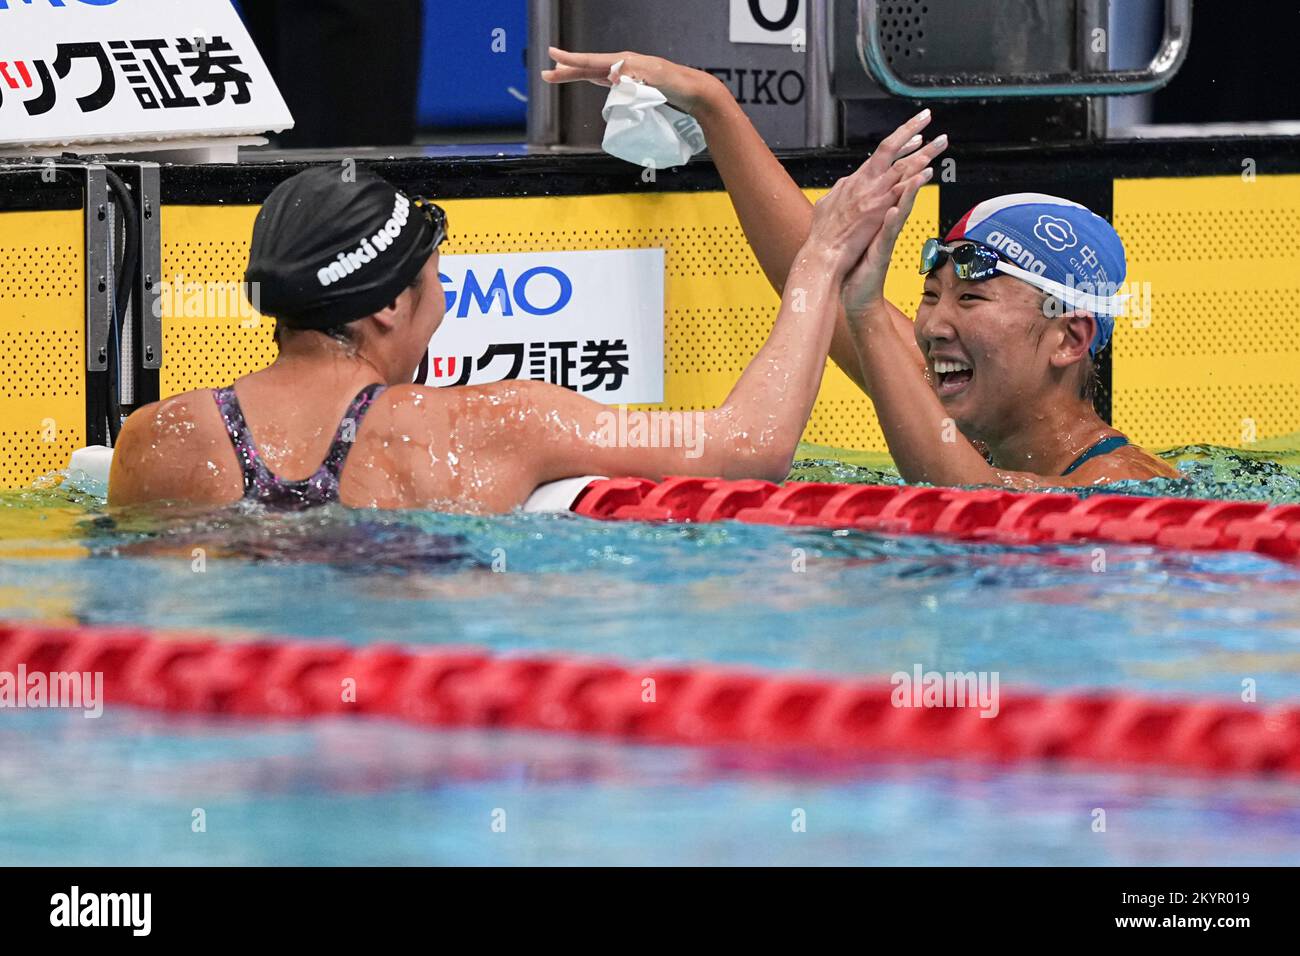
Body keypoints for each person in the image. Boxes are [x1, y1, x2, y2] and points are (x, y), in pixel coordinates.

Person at [108, 149, 935, 511]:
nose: (445, 297)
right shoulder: (487, 424)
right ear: (389, 306)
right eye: (436, 275)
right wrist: (820, 261)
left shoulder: (159, 438)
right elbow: (749, 445)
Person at [543, 49, 1178, 487]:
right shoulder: (976, 420)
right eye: (931, 296)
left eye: (972, 300)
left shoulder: (1123, 487)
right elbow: (815, 275)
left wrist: (868, 306)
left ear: (1069, 338)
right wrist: (713, 104)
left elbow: (980, 505)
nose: (933, 326)